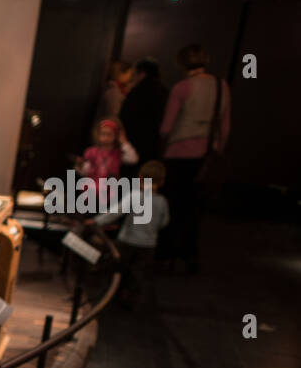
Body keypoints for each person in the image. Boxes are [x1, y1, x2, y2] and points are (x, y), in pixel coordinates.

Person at [159, 44, 230, 273]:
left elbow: (167, 126)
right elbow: (225, 124)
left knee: (172, 206)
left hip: (179, 152)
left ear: (181, 63)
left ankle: (166, 255)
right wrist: (217, 148)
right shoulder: (222, 86)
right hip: (205, 154)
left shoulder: (182, 88)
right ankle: (190, 255)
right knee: (194, 209)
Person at [87, 160, 170, 308]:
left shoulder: (135, 196)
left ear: (140, 178)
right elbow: (164, 222)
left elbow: (115, 212)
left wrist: (96, 221)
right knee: (138, 275)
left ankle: (112, 300)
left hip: (127, 242)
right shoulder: (162, 201)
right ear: (162, 181)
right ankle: (131, 302)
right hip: (148, 246)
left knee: (119, 271)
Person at [119, 57, 167, 168]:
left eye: (135, 74)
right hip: (154, 143)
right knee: (146, 176)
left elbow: (125, 117)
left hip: (134, 140)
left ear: (142, 74)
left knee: (130, 176)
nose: (132, 78)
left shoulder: (137, 92)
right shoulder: (164, 92)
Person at [76, 118, 137, 196]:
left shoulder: (118, 153)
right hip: (90, 191)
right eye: (103, 134)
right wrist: (80, 165)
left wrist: (124, 142)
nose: (106, 137)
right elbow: (84, 172)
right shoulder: (91, 151)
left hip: (109, 192)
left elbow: (133, 159)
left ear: (116, 136)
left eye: (109, 134)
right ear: (98, 135)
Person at [95, 60, 133, 126]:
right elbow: (113, 114)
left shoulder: (118, 89)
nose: (130, 77)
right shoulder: (113, 91)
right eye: (129, 73)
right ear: (121, 74)